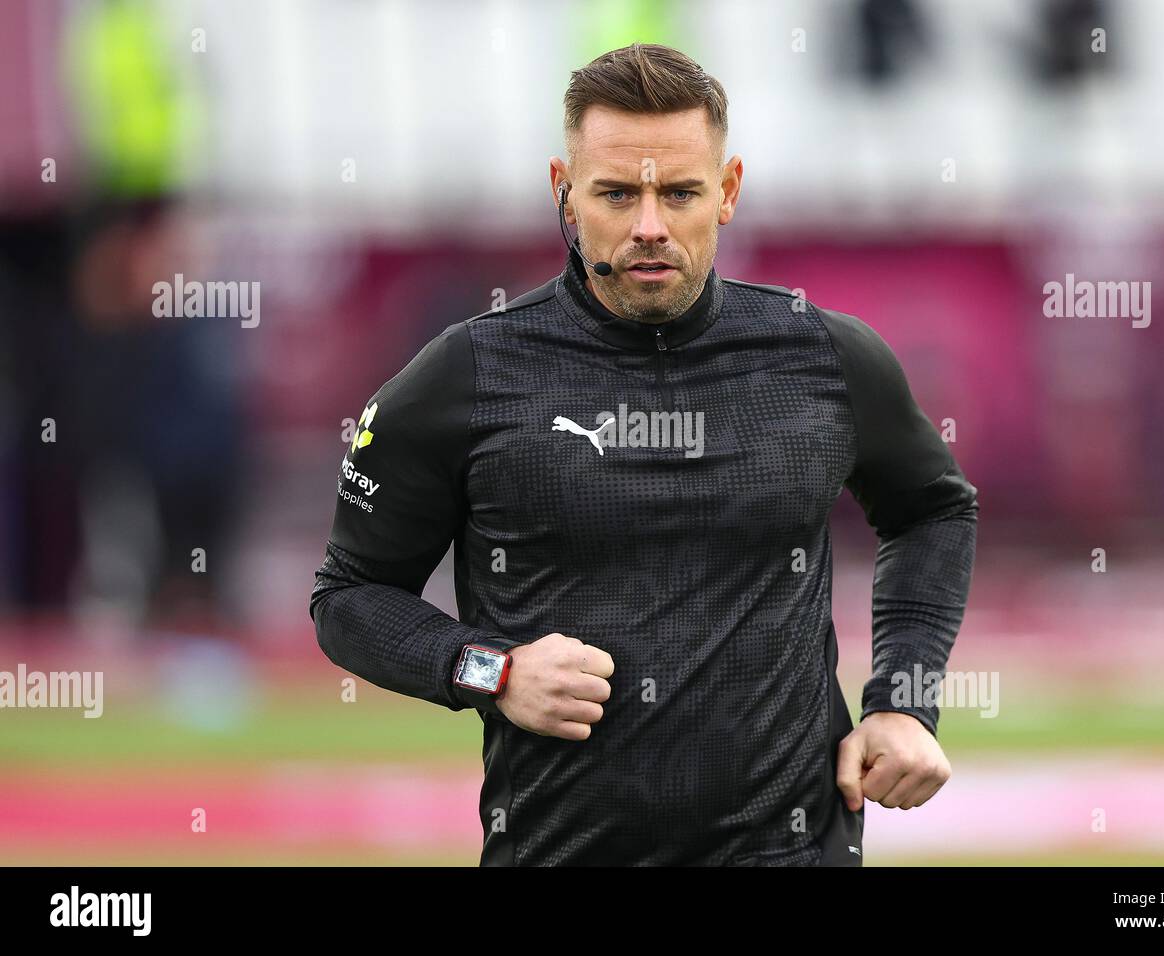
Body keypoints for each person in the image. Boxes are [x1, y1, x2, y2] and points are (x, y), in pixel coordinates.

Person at [310, 42, 978, 866]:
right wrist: (494, 672)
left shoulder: (826, 357)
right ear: (564, 192)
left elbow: (935, 510)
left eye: (681, 192)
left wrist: (904, 702)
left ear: (727, 192)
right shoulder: (466, 374)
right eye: (617, 194)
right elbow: (349, 597)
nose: (650, 227)